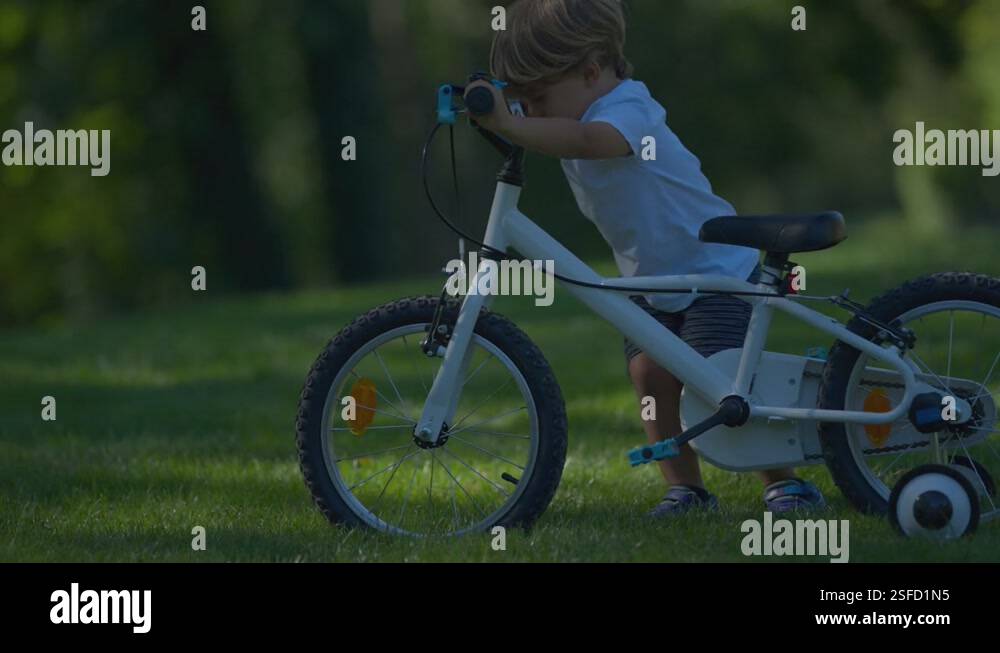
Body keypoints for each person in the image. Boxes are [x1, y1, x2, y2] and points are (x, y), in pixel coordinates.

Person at [466, 0, 825, 516]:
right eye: (523, 103)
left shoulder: (628, 109)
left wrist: (512, 123)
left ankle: (784, 481)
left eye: (537, 99)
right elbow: (540, 121)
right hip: (652, 282)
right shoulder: (574, 103)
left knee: (721, 382)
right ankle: (685, 489)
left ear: (591, 71)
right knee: (651, 380)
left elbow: (590, 141)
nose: (530, 114)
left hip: (714, 272)